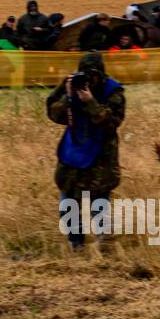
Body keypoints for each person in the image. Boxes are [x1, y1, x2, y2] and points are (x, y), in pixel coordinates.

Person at [47, 52, 126, 251]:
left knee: (99, 202)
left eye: (94, 77)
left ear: (101, 75)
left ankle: (105, 246)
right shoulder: (71, 83)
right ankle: (77, 244)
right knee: (68, 203)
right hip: (74, 150)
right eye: (86, 76)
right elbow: (54, 113)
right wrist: (69, 96)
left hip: (101, 155)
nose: (89, 81)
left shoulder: (113, 92)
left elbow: (111, 123)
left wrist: (90, 101)